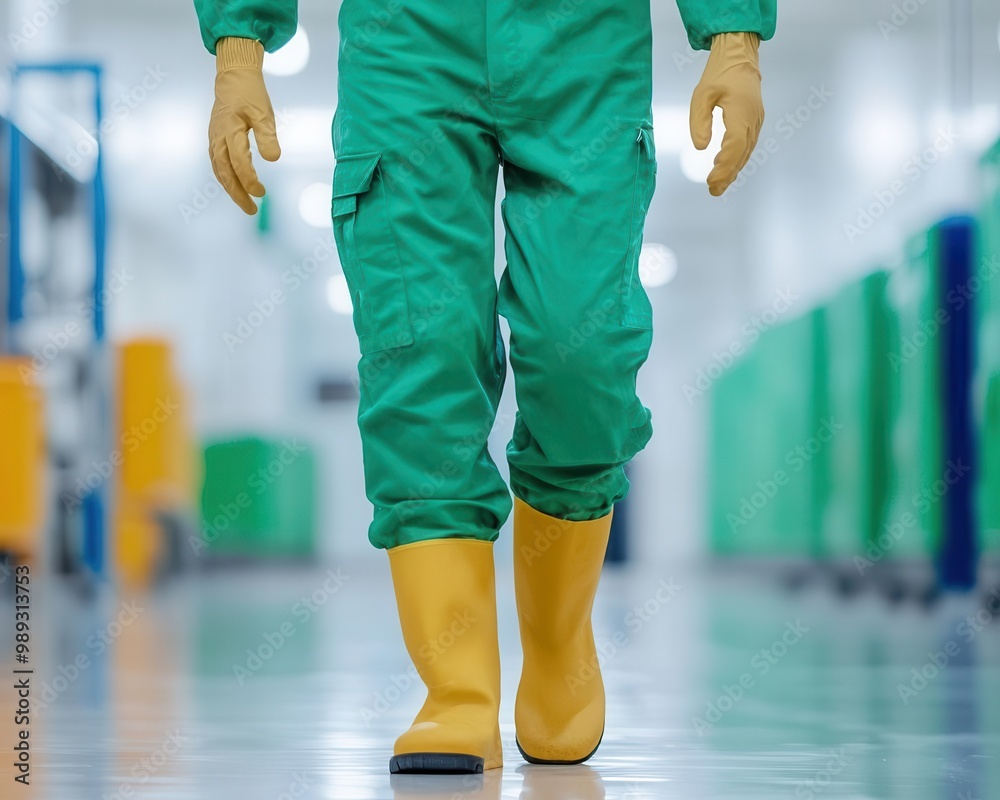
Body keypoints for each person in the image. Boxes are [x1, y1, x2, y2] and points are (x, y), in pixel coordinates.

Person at [195, 0, 776, 775]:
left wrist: (734, 37)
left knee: (586, 347)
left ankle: (558, 637)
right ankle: (457, 692)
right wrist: (239, 44)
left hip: (584, 39)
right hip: (405, 40)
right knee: (419, 351)